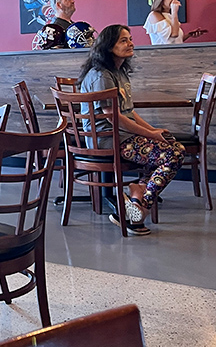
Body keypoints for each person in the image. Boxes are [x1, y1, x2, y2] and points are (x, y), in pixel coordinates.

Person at [78, 24, 184, 235]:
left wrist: (153, 130)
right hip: (108, 139)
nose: (130, 43)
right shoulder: (102, 75)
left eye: (130, 39)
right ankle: (140, 207)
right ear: (109, 47)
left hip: (123, 135)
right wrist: (150, 134)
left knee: (172, 146)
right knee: (174, 154)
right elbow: (113, 117)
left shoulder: (119, 72)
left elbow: (129, 112)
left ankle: (137, 197)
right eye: (123, 40)